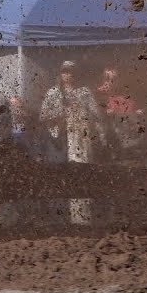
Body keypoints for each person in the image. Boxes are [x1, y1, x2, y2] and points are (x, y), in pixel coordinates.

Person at [39, 60, 107, 224]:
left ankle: (81, 218)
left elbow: (97, 116)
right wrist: (59, 115)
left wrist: (102, 137)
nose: (67, 75)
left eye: (70, 72)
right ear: (60, 74)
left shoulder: (84, 92)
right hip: (59, 140)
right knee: (59, 178)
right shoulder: (53, 93)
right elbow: (42, 116)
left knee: (80, 175)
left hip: (80, 140)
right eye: (64, 71)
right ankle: (59, 218)